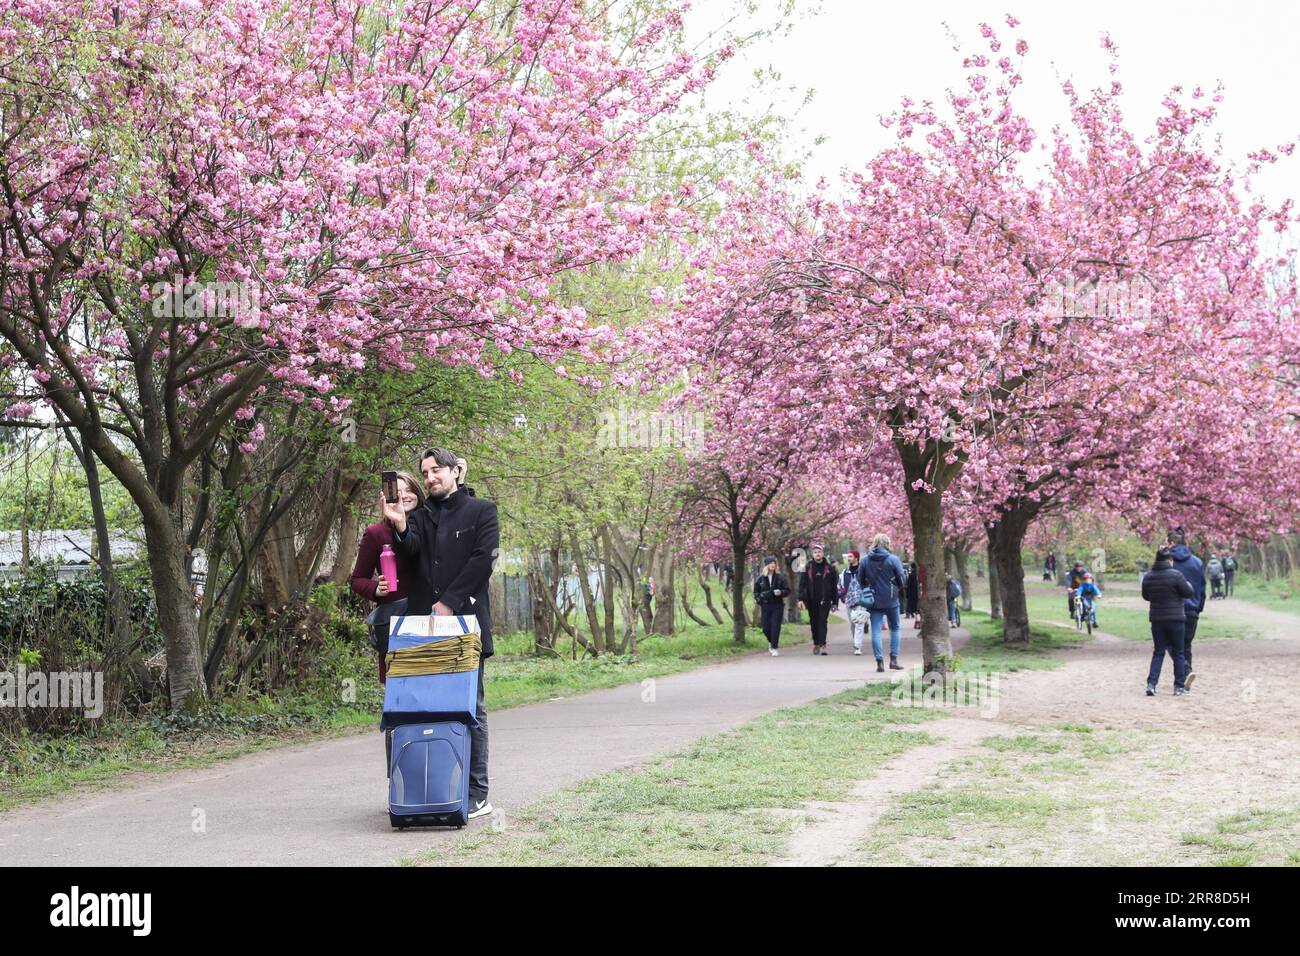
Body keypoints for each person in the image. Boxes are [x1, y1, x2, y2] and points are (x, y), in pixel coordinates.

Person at [383, 446, 500, 820]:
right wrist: (400, 523)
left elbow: (483, 560)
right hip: (421, 630)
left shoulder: (483, 511)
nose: (430, 478)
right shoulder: (421, 515)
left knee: (471, 708)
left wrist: (450, 600)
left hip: (466, 624)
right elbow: (410, 552)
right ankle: (425, 791)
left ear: (455, 471)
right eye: (426, 472)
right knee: (420, 709)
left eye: (436, 471)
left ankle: (477, 793)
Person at [351, 471, 423, 684]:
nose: (404, 496)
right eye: (398, 492)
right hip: (395, 624)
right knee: (399, 694)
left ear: (418, 493)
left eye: (409, 490)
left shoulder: (431, 527)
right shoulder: (375, 533)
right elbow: (357, 579)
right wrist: (376, 589)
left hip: (429, 621)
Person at [1141, 546, 1194, 696]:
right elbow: (1188, 592)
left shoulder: (1148, 576)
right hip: (1176, 618)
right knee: (1178, 653)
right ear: (1170, 560)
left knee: (1158, 652)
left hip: (1157, 619)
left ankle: (1151, 684)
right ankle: (1178, 687)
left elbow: (1146, 596)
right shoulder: (1176, 575)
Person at [860, 533, 908, 672]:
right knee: (895, 628)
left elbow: (860, 580)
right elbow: (902, 579)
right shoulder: (893, 559)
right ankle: (893, 659)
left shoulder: (865, 561)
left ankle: (879, 662)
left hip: (873, 600)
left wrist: (868, 590)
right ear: (887, 543)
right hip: (891, 599)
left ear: (874, 543)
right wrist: (897, 588)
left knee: (876, 631)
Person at [1166, 527, 1206, 688]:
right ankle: (1184, 677)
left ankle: (1185, 670)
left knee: (1170, 643)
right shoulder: (1197, 562)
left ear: (1171, 543)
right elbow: (1202, 588)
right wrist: (1199, 607)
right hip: (1192, 610)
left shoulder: (1167, 563)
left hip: (1172, 609)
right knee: (1186, 644)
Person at [797, 542, 839, 655]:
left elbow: (834, 587)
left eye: (819, 552)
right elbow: (802, 584)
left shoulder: (830, 568)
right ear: (812, 554)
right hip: (811, 599)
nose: (817, 554)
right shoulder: (807, 567)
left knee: (822, 622)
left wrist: (835, 602)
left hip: (825, 600)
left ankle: (823, 644)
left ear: (823, 553)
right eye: (815, 552)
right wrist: (800, 599)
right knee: (814, 622)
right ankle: (816, 643)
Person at [754, 556, 791, 656]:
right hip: (765, 605)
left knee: (775, 626)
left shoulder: (780, 577)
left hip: (777, 605)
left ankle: (774, 647)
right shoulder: (760, 578)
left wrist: (781, 592)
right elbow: (756, 592)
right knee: (765, 628)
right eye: (771, 563)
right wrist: (759, 600)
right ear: (766, 565)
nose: (773, 565)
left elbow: (787, 590)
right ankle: (771, 641)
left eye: (774, 563)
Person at [839, 549, 870, 656]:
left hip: (861, 601)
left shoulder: (863, 570)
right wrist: (843, 597)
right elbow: (840, 586)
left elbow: (869, 583)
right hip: (849, 601)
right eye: (848, 556)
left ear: (856, 558)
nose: (848, 558)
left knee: (859, 624)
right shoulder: (844, 572)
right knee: (853, 624)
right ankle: (856, 642)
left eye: (850, 556)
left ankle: (858, 646)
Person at [906, 562, 921, 628]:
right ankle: (918, 621)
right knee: (919, 608)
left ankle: (918, 621)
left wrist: (907, 594)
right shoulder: (920, 574)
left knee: (915, 609)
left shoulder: (911, 575)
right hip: (921, 593)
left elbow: (908, 585)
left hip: (913, 594)